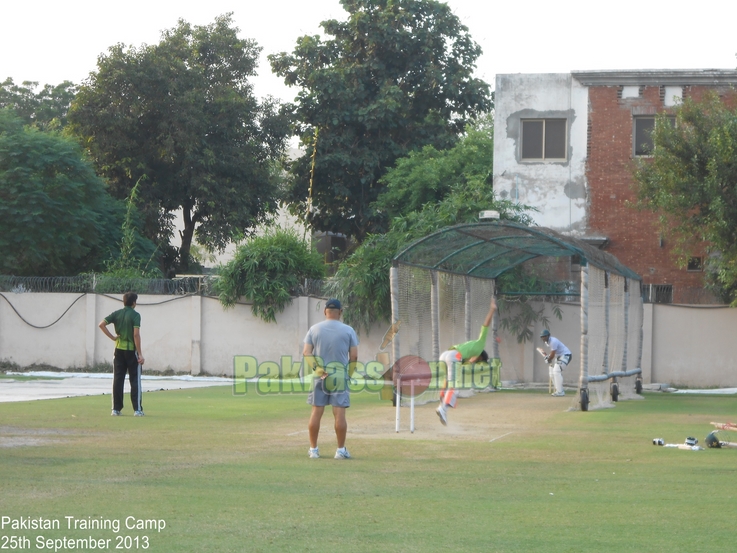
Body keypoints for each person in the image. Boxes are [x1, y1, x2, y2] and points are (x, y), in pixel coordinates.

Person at [303, 298, 359, 460]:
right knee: (339, 413)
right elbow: (354, 356)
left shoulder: (314, 329)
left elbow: (307, 352)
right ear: (340, 312)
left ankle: (313, 450)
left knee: (316, 411)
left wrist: (318, 369)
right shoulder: (348, 330)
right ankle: (340, 450)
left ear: (324, 311)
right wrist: (348, 374)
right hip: (339, 375)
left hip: (319, 375)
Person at [436, 297, 497, 425]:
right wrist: (492, 310)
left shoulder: (466, 357)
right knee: (455, 387)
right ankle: (442, 409)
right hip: (452, 356)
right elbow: (485, 325)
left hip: (445, 355)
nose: (474, 362)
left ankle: (442, 406)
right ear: (480, 356)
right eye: (477, 361)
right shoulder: (480, 345)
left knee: (448, 383)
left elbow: (464, 365)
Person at [99, 291, 145, 416]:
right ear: (134, 303)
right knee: (135, 380)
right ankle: (137, 410)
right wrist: (140, 354)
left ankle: (116, 409)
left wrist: (113, 337)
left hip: (118, 350)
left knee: (118, 379)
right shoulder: (135, 315)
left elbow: (101, 324)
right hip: (131, 351)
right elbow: (136, 334)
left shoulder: (117, 314)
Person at [540, 329, 572, 397]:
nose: (543, 338)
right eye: (542, 337)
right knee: (552, 374)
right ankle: (559, 390)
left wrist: (548, 359)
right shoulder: (547, 342)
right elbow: (553, 353)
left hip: (566, 355)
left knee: (556, 371)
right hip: (559, 356)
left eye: (545, 336)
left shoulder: (553, 341)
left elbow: (552, 355)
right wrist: (548, 357)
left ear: (548, 336)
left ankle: (560, 392)